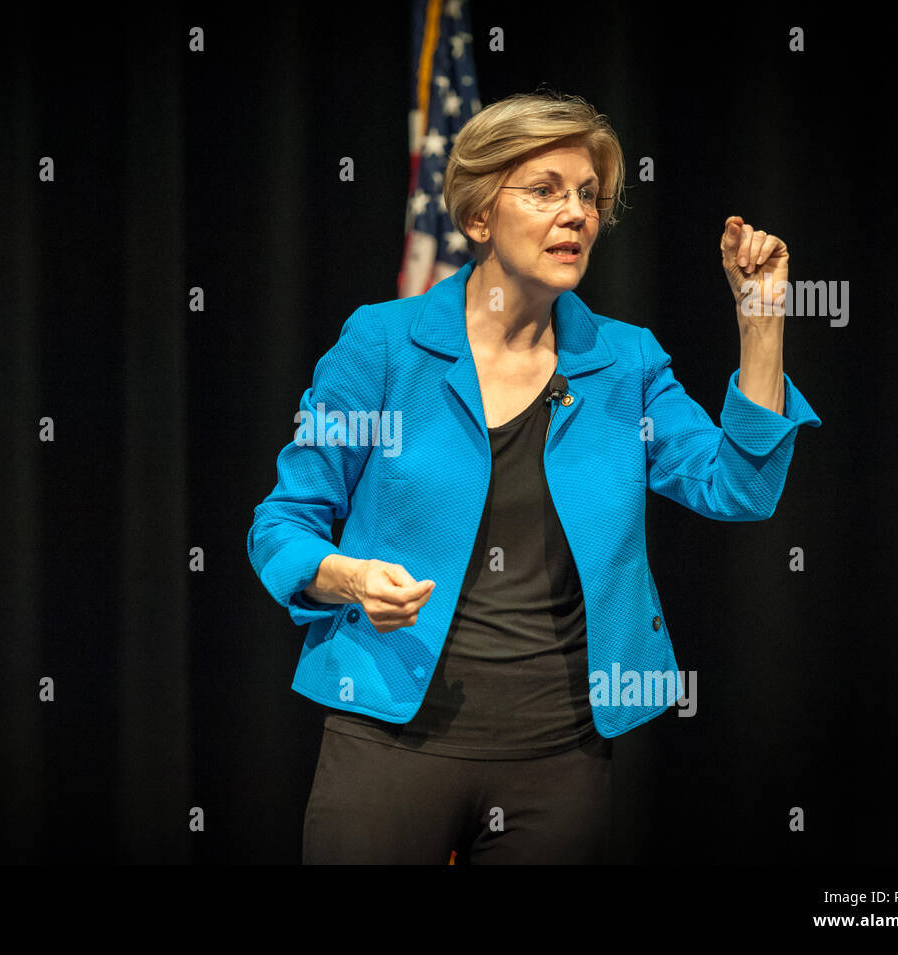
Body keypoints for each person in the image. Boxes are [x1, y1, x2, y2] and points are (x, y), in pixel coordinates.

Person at [247, 91, 821, 864]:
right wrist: (347, 575)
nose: (577, 213)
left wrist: (760, 323)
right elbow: (282, 523)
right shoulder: (383, 346)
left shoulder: (626, 362)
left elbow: (740, 488)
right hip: (390, 734)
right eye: (546, 190)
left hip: (561, 753)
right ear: (480, 217)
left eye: (589, 195)